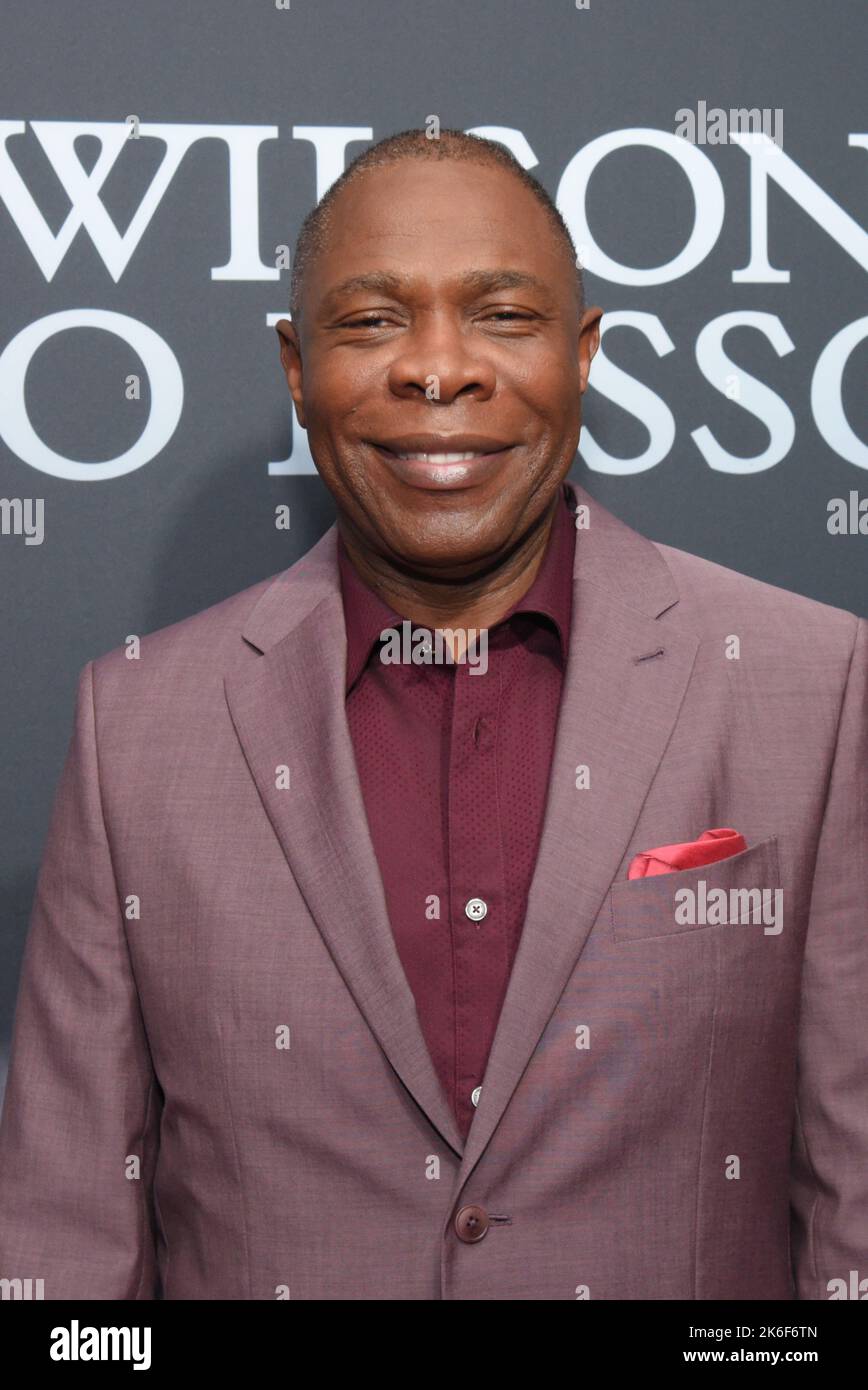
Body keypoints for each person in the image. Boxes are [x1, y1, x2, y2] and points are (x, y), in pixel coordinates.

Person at [0, 129, 865, 1300]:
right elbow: (64, 1240)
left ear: (585, 353)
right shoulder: (137, 723)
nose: (438, 369)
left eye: (503, 316)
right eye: (371, 323)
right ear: (296, 366)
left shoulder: (816, 687)